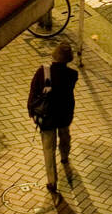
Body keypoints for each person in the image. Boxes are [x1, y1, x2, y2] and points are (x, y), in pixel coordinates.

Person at [27, 41, 78, 205]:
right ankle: (65, 157)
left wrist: (31, 111)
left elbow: (33, 91)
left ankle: (52, 182)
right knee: (65, 136)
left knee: (48, 149)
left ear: (54, 56)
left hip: (47, 118)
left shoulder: (43, 72)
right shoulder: (72, 75)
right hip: (64, 116)